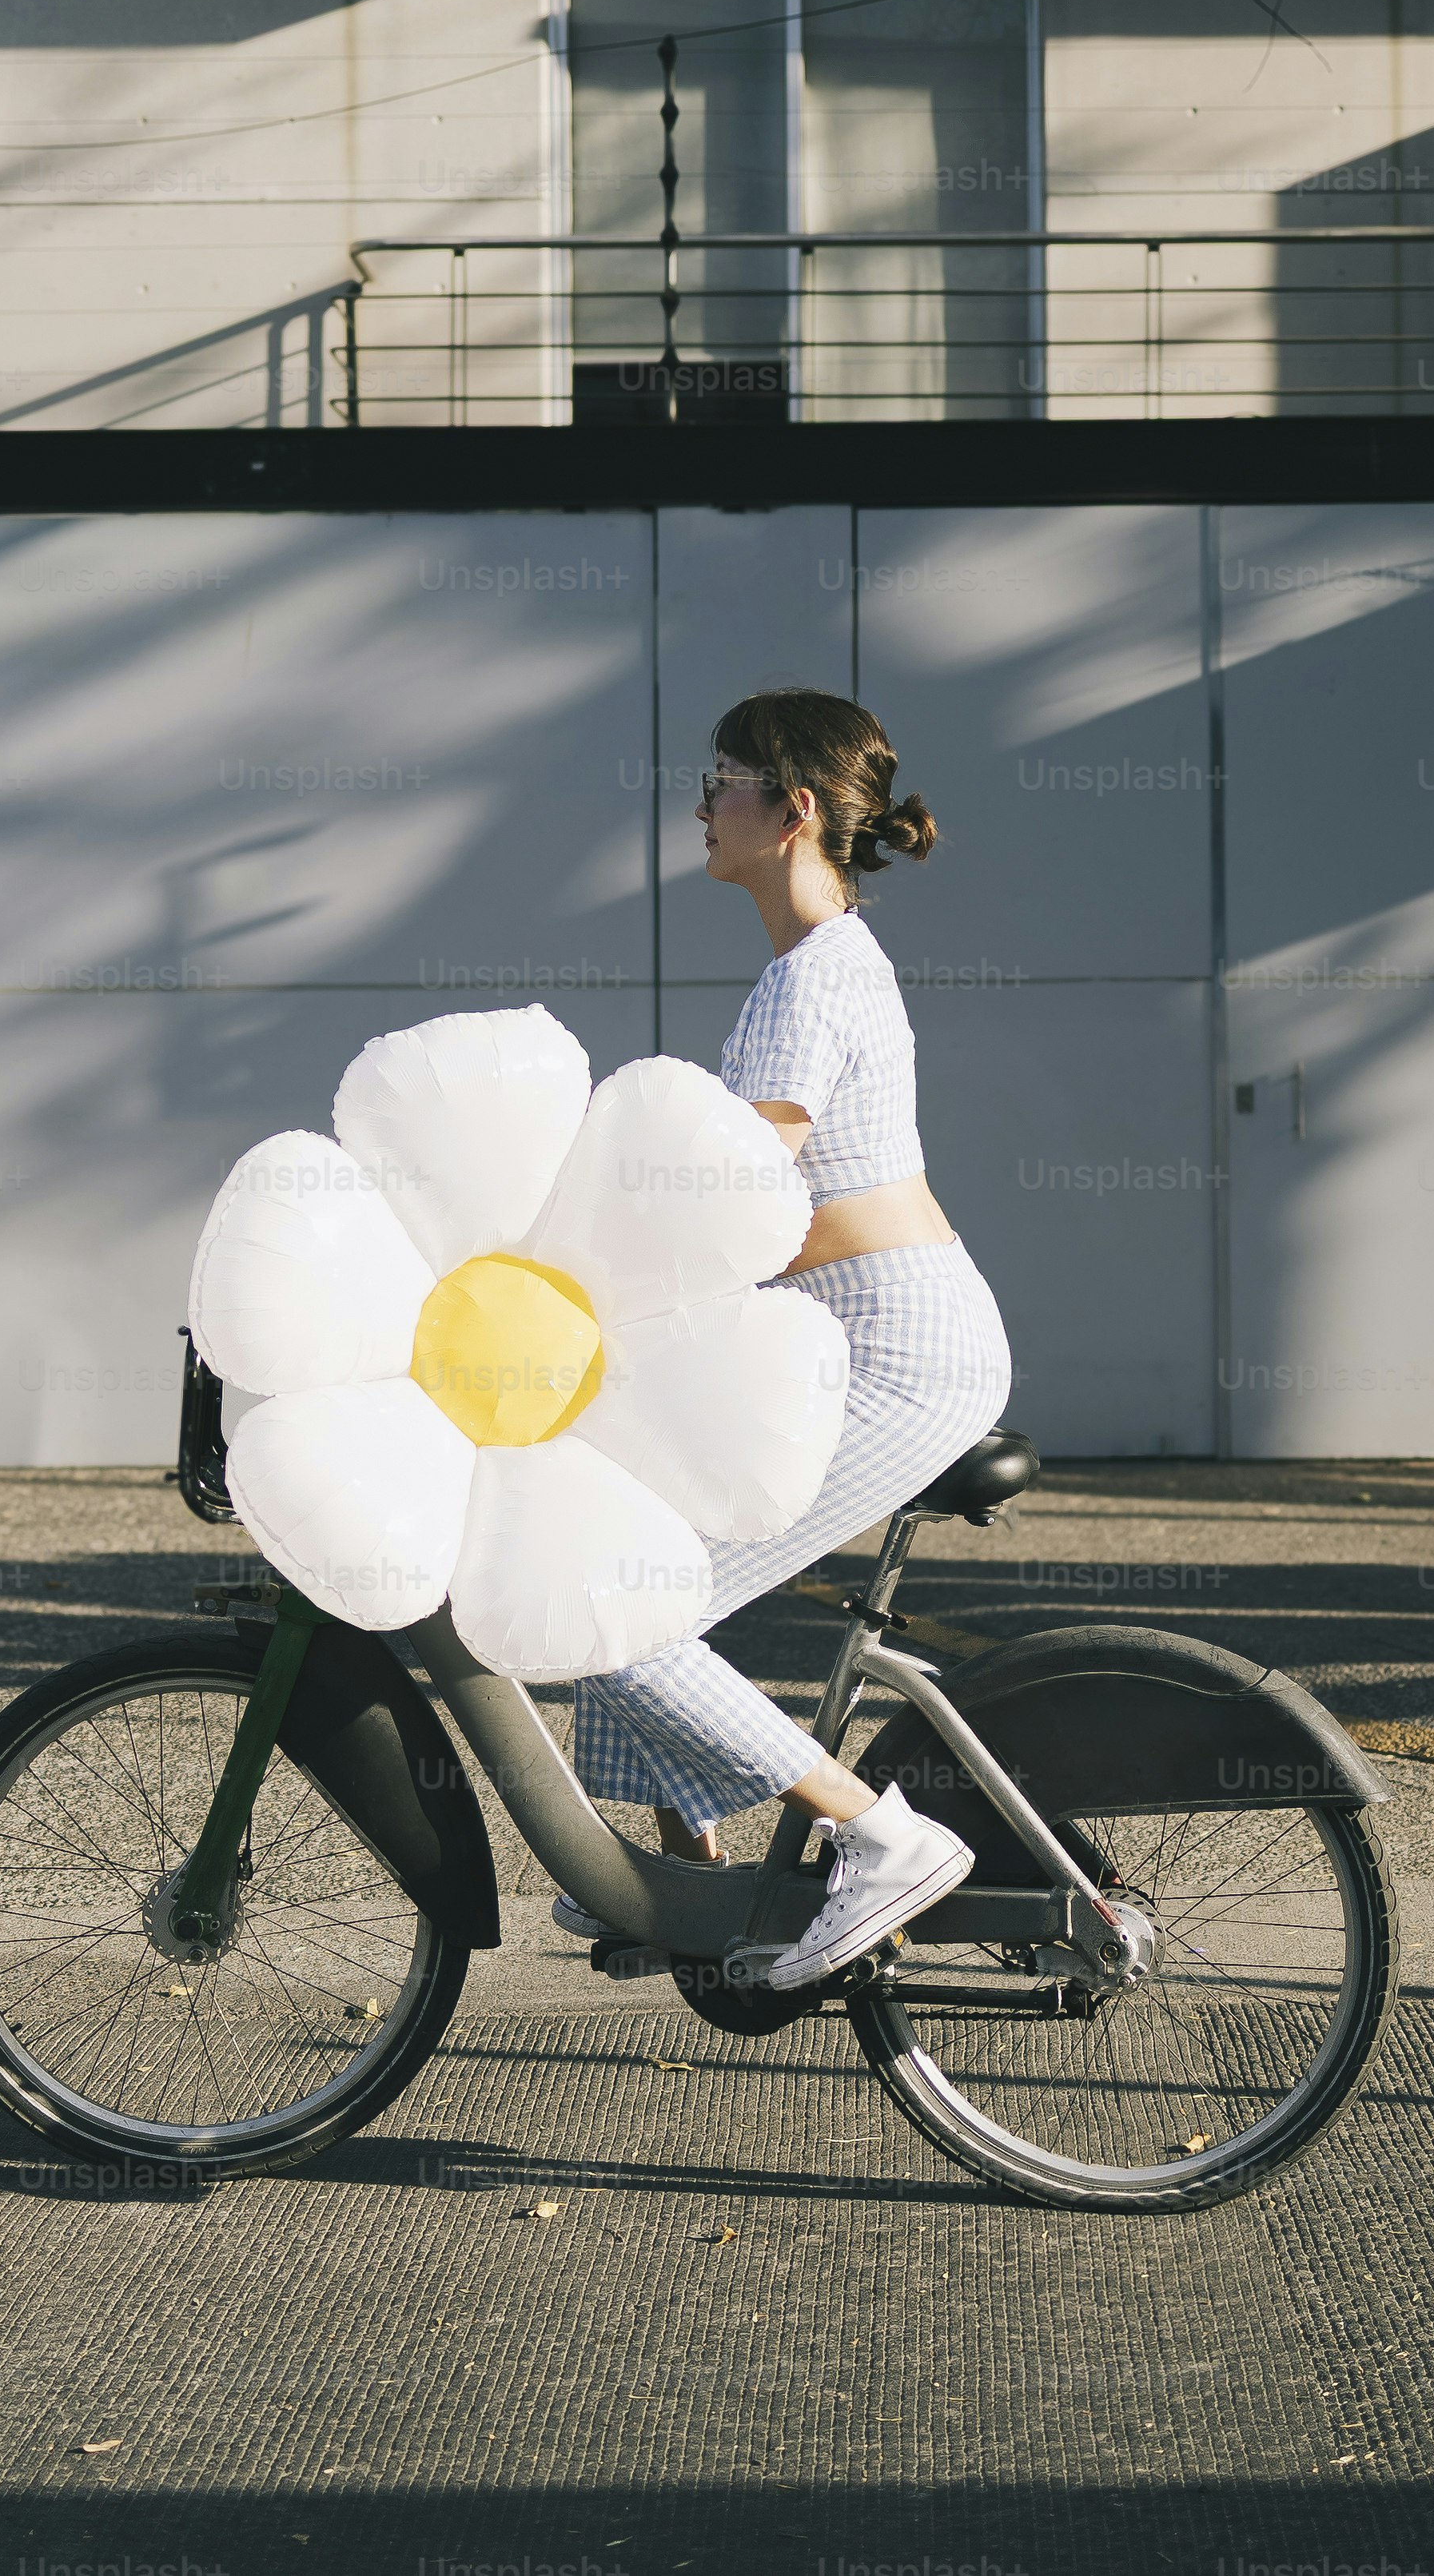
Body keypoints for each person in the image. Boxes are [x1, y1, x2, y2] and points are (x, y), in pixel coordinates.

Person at [557, 687, 1013, 1989]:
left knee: (624, 1604)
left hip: (902, 1357)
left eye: (723, 782)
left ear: (793, 809)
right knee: (615, 1530)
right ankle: (683, 1884)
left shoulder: (806, 980)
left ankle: (881, 1838)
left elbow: (738, 1210)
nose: (702, 806)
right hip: (884, 1337)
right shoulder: (827, 963)